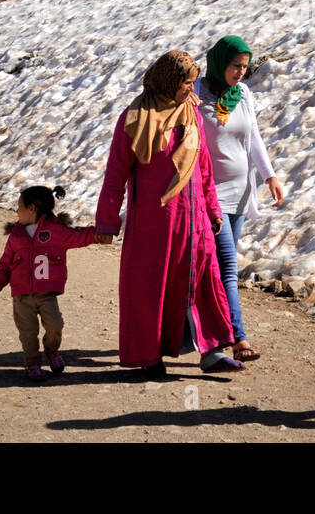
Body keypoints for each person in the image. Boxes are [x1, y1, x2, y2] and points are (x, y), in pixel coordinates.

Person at [94, 49, 242, 376]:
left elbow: (202, 168)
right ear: (168, 81)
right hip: (153, 225)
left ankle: (212, 352)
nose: (191, 89)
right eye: (185, 83)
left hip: (195, 221)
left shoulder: (190, 115)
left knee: (202, 281)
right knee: (151, 288)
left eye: (192, 83)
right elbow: (116, 174)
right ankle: (149, 357)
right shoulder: (135, 118)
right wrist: (106, 221)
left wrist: (213, 210)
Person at [193, 35, 285, 363]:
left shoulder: (242, 93)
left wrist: (269, 175)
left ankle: (200, 333)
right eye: (235, 66)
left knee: (217, 268)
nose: (241, 73)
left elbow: (254, 135)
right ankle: (237, 337)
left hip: (240, 194)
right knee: (228, 267)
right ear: (220, 62)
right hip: (210, 195)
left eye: (245, 67)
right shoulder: (196, 93)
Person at [0, 185, 106, 381]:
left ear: (32, 208)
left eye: (19, 206)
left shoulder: (55, 231)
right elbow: (6, 262)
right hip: (21, 296)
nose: (16, 211)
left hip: (46, 294)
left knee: (55, 325)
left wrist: (99, 234)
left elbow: (79, 236)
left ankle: (52, 351)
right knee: (28, 333)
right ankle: (32, 364)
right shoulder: (16, 235)